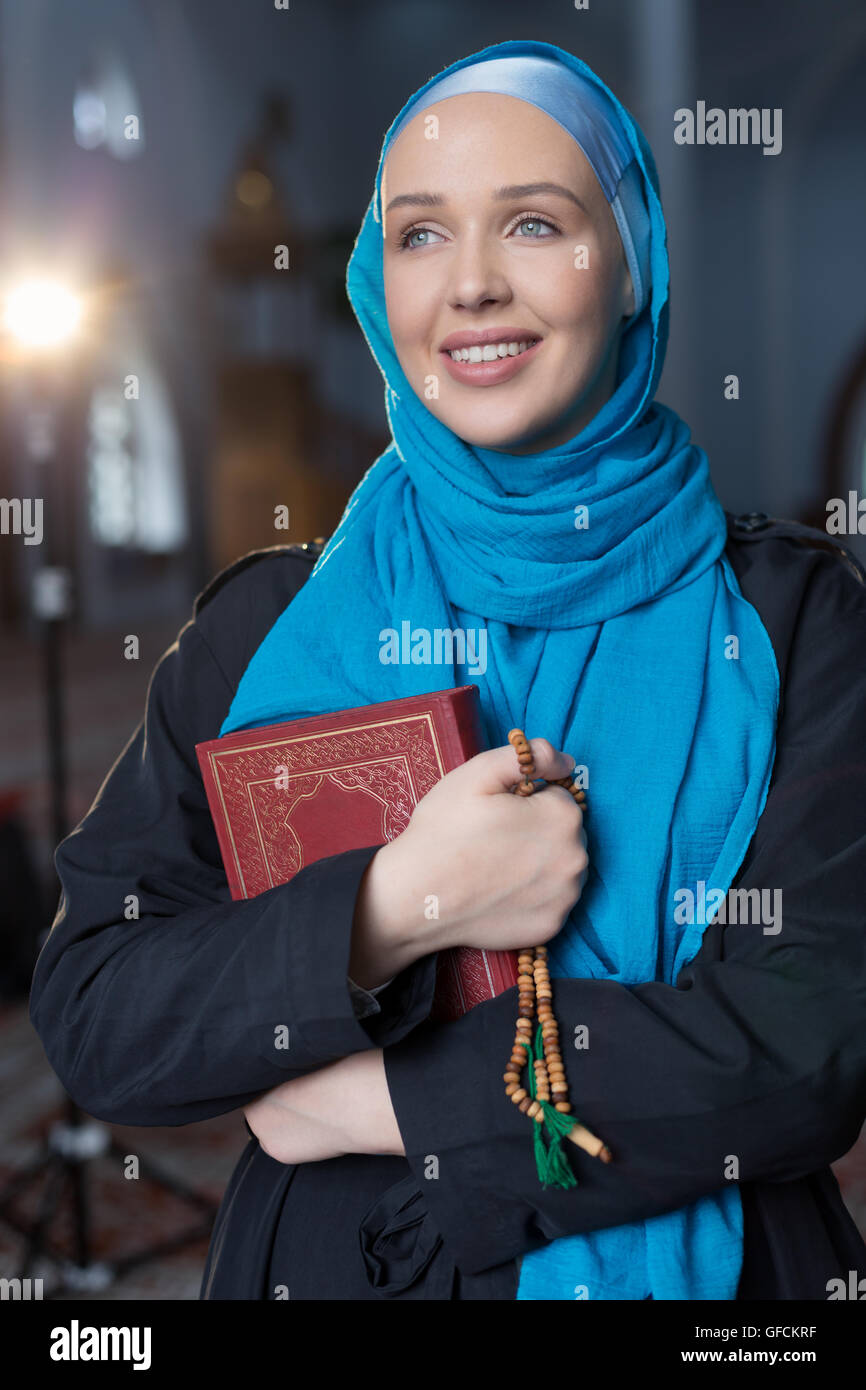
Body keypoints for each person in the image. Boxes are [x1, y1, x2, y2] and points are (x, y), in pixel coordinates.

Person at [29, 39, 866, 1301]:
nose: (470, 285)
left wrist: (377, 1099)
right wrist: (396, 906)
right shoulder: (271, 624)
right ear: (377, 283)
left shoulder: (791, 618)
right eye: (420, 236)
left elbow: (806, 1050)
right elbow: (104, 1014)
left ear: (631, 265)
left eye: (532, 223)